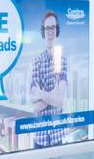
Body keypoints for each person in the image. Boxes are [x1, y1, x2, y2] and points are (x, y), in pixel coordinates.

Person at [27, 9, 68, 148]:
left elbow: (60, 100)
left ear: (57, 30)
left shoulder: (61, 60)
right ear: (43, 31)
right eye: (47, 28)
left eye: (53, 27)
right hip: (40, 136)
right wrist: (53, 94)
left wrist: (41, 94)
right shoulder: (37, 62)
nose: (50, 31)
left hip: (57, 134)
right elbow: (36, 107)